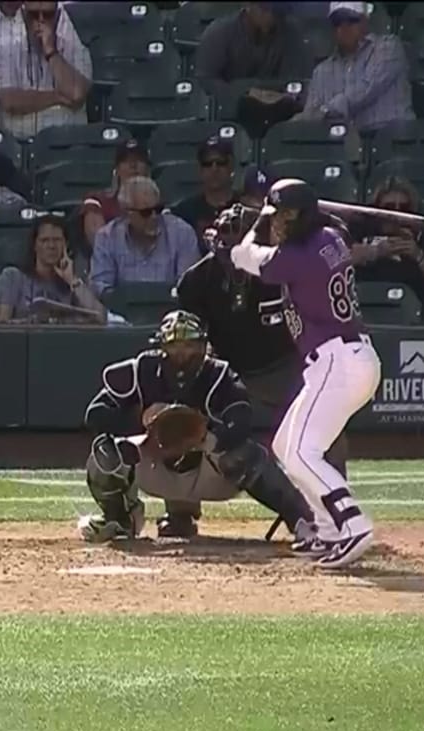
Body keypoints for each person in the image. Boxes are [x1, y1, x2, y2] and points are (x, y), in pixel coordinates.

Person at [174, 202, 349, 541]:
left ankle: (333, 513)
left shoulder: (283, 269)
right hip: (225, 372)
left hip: (287, 367)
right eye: (227, 247)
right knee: (182, 416)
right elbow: (190, 338)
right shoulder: (197, 281)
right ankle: (180, 511)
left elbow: (335, 240)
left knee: (327, 423)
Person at [229, 178, 380, 569]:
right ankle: (328, 530)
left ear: (305, 215)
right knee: (284, 446)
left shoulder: (297, 256)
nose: (280, 222)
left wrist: (250, 230)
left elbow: (244, 258)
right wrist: (267, 218)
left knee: (301, 453)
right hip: (346, 359)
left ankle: (352, 524)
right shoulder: (328, 237)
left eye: (287, 215)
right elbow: (291, 239)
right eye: (277, 215)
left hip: (338, 362)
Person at [77, 309, 316, 542]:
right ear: (160, 347)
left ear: (204, 348)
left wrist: (200, 429)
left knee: (244, 454)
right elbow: (95, 414)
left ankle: (301, 519)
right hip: (154, 463)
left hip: (208, 472)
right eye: (174, 345)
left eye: (190, 345)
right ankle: (120, 519)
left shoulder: (219, 375)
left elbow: (241, 422)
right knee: (105, 452)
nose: (182, 353)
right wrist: (142, 422)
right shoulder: (141, 370)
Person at [194, 1, 310, 136]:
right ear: (248, 5)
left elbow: (295, 81)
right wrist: (243, 92)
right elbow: (206, 80)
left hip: (279, 116)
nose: (271, 16)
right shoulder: (219, 32)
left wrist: (259, 91)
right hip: (232, 117)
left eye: (277, 12)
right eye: (265, 10)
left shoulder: (291, 31)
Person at [295, 1, 413, 132]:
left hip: (392, 140)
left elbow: (366, 88)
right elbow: (311, 117)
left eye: (351, 20)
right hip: (343, 146)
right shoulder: (321, 71)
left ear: (364, 21)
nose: (344, 27)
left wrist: (326, 110)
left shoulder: (388, 47)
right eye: (338, 22)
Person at [0, 0, 92, 141]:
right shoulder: (5, 54)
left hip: (67, 143)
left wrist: (51, 52)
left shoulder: (77, 51)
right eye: (34, 15)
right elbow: (10, 101)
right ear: (23, 15)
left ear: (58, 16)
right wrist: (58, 97)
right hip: (18, 143)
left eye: (47, 15)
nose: (40, 21)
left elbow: (76, 94)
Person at [349, 176, 424, 304]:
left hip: (416, 313)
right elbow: (335, 262)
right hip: (362, 307)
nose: (397, 214)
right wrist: (375, 251)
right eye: (389, 208)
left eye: (404, 208)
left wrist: (419, 255)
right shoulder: (359, 231)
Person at [90, 177, 201, 298]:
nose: (154, 217)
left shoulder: (182, 233)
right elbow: (101, 287)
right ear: (127, 214)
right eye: (146, 212)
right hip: (120, 314)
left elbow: (188, 288)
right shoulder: (107, 237)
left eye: (158, 210)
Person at [0, 213, 107, 322]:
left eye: (57, 240)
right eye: (44, 240)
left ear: (66, 245)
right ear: (34, 245)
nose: (51, 246)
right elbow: (1, 324)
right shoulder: (12, 277)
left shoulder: (75, 284)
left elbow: (101, 317)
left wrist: (72, 280)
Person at [170, 141, 262, 249]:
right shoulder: (184, 213)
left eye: (221, 162)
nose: (214, 169)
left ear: (231, 166)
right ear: (200, 169)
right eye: (207, 164)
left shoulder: (248, 209)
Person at [81, 139, 151, 252]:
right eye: (126, 160)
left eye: (139, 160)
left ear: (147, 168)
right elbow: (99, 243)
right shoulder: (97, 201)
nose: (133, 165)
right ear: (117, 169)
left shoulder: (157, 205)